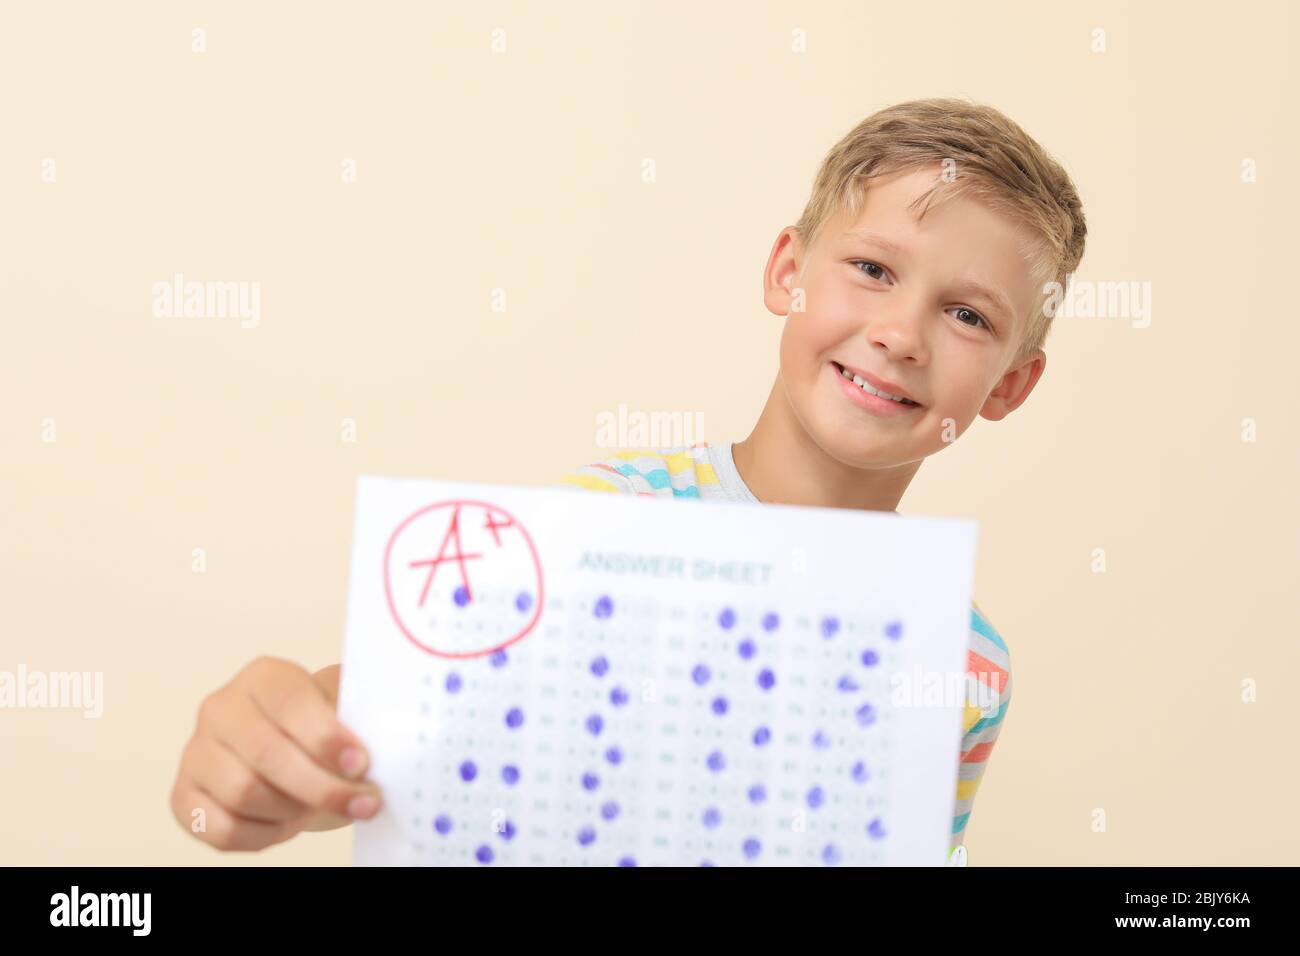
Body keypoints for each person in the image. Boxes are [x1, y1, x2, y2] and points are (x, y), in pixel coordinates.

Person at [170, 97, 1086, 857]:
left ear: (1010, 383)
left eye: (966, 314)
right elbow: (410, 715)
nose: (900, 334)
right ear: (787, 271)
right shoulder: (608, 518)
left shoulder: (969, 663)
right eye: (873, 268)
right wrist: (283, 735)